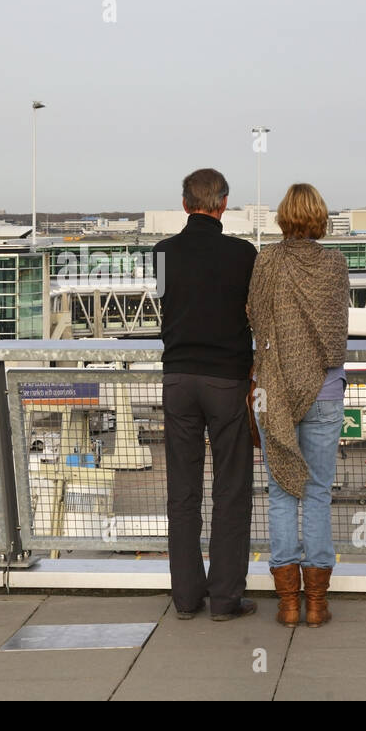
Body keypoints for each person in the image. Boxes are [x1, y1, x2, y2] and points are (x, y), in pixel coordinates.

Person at [154, 168, 259, 621]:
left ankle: (185, 598)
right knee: (231, 490)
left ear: (184, 204)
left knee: (182, 491)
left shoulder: (161, 252)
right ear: (223, 204)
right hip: (226, 381)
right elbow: (250, 312)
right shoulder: (243, 254)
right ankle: (225, 599)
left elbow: (166, 303)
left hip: (178, 380)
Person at [248, 183, 349, 627]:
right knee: (319, 494)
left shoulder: (267, 258)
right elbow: (336, 330)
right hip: (325, 392)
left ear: (284, 217)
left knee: (281, 494)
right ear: (321, 217)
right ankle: (316, 604)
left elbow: (254, 314)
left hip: (276, 391)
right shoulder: (336, 263)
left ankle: (288, 604)